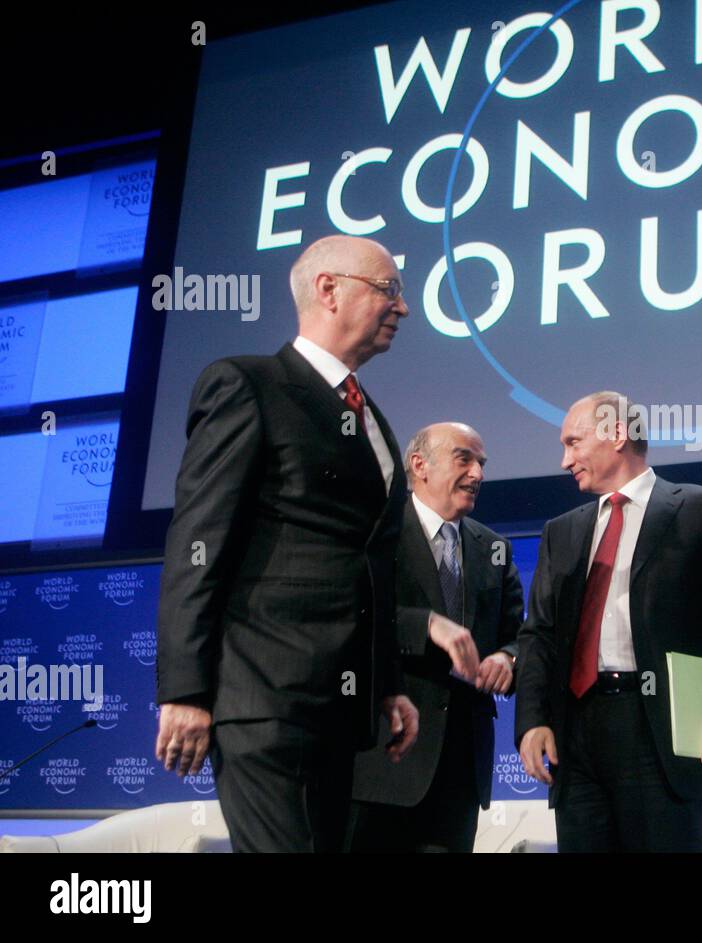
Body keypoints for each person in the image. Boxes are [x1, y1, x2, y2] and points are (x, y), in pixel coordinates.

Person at [153, 235, 431, 853]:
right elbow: (198, 541)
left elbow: (370, 563)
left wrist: (386, 684)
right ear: (328, 290)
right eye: (388, 289)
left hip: (338, 709)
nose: (403, 308)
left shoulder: (373, 419)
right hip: (266, 701)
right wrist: (185, 691)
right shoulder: (247, 385)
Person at [515, 391, 702, 852]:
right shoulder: (562, 530)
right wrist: (533, 720)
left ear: (615, 434)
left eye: (573, 443)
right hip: (577, 736)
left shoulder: (700, 510)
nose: (564, 460)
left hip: (660, 734)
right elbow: (539, 635)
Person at [349, 423, 523, 853]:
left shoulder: (494, 549)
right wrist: (425, 624)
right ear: (419, 465)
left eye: (481, 463)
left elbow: (521, 636)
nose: (478, 474)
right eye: (464, 458)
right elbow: (349, 615)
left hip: (459, 773)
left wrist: (507, 658)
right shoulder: (374, 532)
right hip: (379, 761)